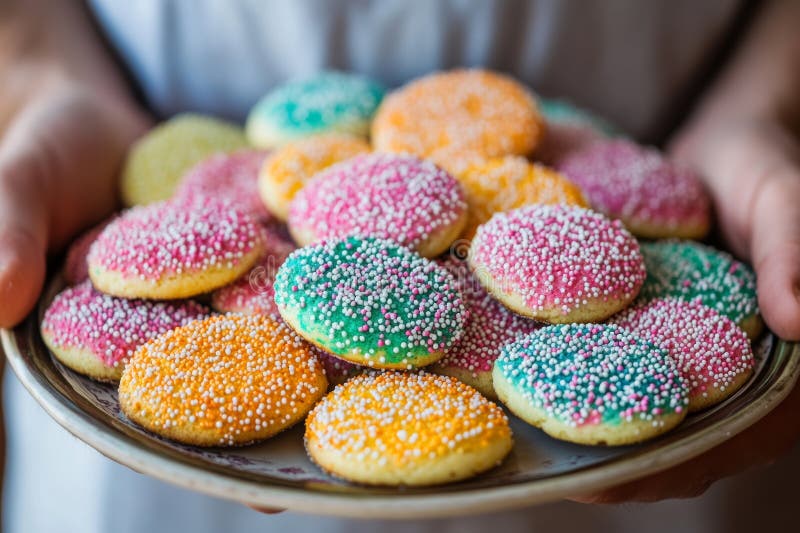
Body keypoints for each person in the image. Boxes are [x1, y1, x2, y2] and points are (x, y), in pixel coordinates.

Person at [1, 0, 799, 531]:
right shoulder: (257, 233)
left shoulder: (528, 222)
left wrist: (764, 110)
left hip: (667, 146)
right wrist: (44, 80)